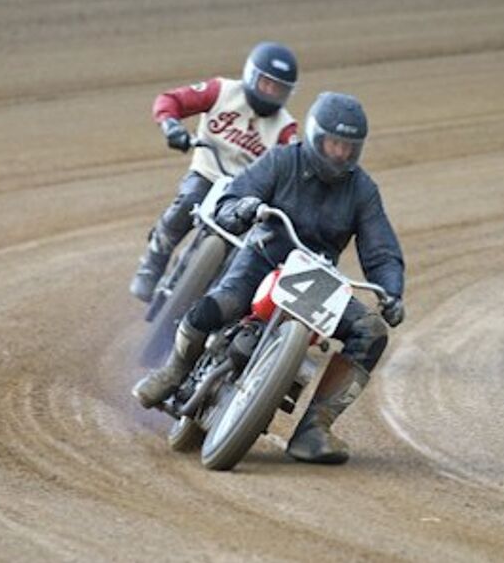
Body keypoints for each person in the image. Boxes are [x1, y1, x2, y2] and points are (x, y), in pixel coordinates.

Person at [133, 91, 406, 464]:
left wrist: (391, 291)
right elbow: (234, 196)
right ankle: (174, 370)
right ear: (314, 136)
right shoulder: (281, 161)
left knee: (371, 331)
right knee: (216, 306)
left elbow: (381, 249)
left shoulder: (362, 190)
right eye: (333, 143)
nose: (340, 154)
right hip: (264, 256)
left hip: (318, 279)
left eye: (348, 147)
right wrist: (243, 208)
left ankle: (315, 429)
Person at [129, 41, 301, 302]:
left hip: (246, 194)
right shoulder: (222, 91)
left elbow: (294, 169)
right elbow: (170, 99)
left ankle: (205, 299)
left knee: (241, 250)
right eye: (266, 83)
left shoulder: (286, 128)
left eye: (278, 89)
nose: (270, 93)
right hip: (208, 171)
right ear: (251, 76)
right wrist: (171, 126)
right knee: (186, 203)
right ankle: (152, 263)